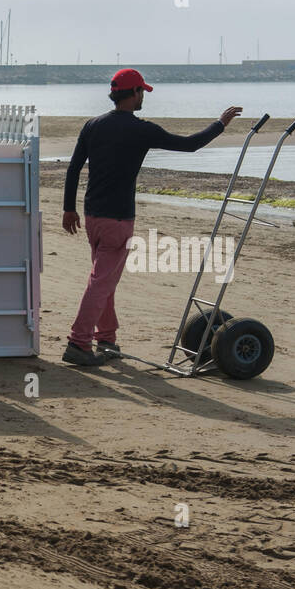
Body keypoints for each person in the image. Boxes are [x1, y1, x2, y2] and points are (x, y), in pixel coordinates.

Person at [60, 68, 242, 367]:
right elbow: (190, 144)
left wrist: (69, 208)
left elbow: (74, 167)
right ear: (133, 94)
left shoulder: (93, 125)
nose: (143, 96)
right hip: (118, 218)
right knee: (101, 281)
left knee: (105, 280)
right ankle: (78, 343)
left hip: (92, 215)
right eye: (141, 91)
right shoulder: (141, 129)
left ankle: (106, 339)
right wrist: (220, 124)